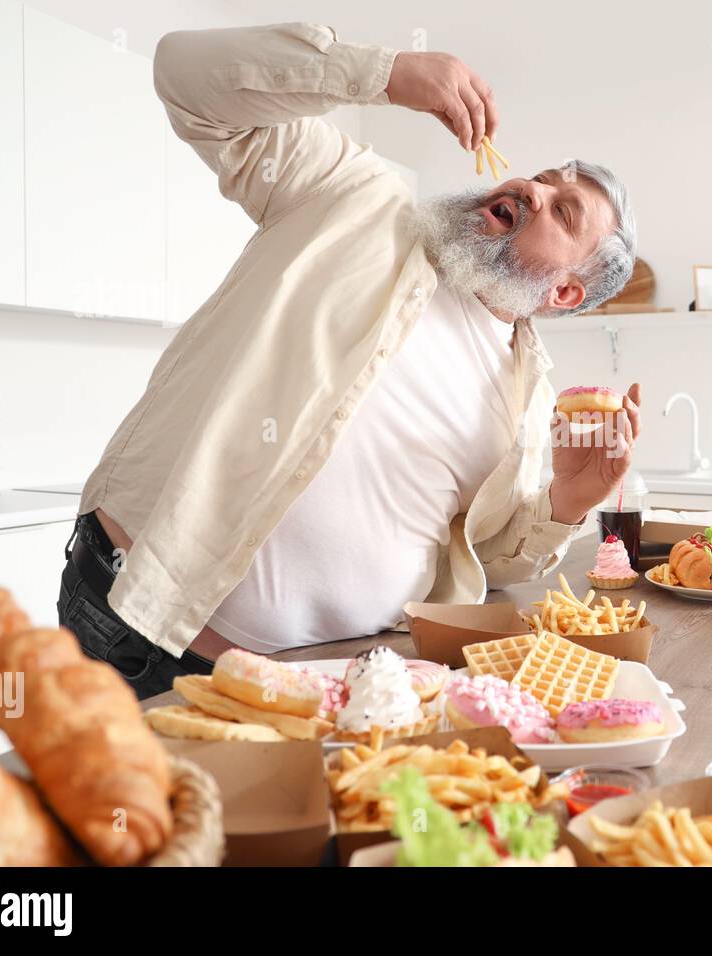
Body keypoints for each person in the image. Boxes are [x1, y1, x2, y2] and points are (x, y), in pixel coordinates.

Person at [57, 22, 639, 698]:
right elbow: (183, 75)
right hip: (138, 635)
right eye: (541, 179)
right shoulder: (355, 196)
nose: (532, 189)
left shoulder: (527, 395)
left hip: (321, 692)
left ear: (565, 291)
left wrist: (571, 500)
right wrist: (384, 74)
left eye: (563, 210)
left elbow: (490, 559)